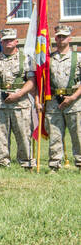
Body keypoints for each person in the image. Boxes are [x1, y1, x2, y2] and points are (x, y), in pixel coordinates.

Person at [0, 28, 34, 169]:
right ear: (1, 42)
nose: (8, 42)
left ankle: (26, 162)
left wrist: (19, 94)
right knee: (0, 134)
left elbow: (31, 81)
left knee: (23, 134)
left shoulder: (26, 58)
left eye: (11, 40)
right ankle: (2, 163)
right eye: (5, 40)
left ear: (16, 41)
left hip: (20, 102)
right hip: (0, 102)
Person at [45, 25, 81, 171]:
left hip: (74, 101)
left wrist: (72, 97)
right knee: (54, 135)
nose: (61, 39)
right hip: (54, 102)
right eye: (58, 36)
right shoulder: (49, 59)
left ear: (70, 39)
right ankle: (54, 165)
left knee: (78, 135)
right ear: (55, 38)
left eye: (64, 37)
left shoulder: (78, 57)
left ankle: (79, 163)